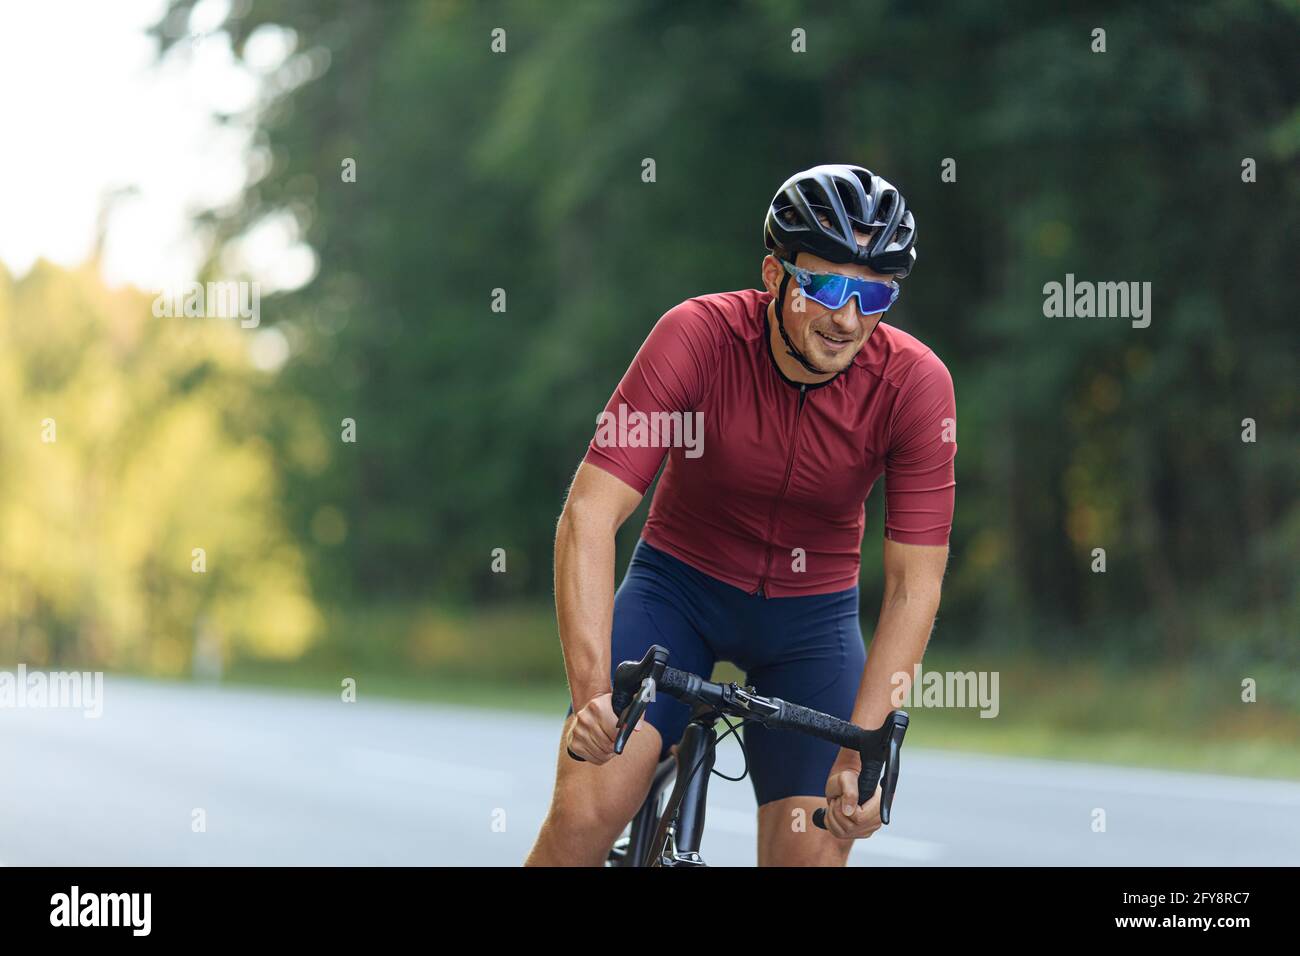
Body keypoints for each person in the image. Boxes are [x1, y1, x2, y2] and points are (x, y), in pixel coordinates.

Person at [526, 164, 955, 866]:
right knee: (584, 816)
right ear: (774, 274)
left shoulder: (915, 386)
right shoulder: (695, 337)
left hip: (810, 626)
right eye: (825, 285)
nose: (848, 318)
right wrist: (590, 695)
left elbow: (915, 587)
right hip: (677, 596)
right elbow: (590, 513)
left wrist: (863, 752)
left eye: (874, 294)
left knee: (812, 853)